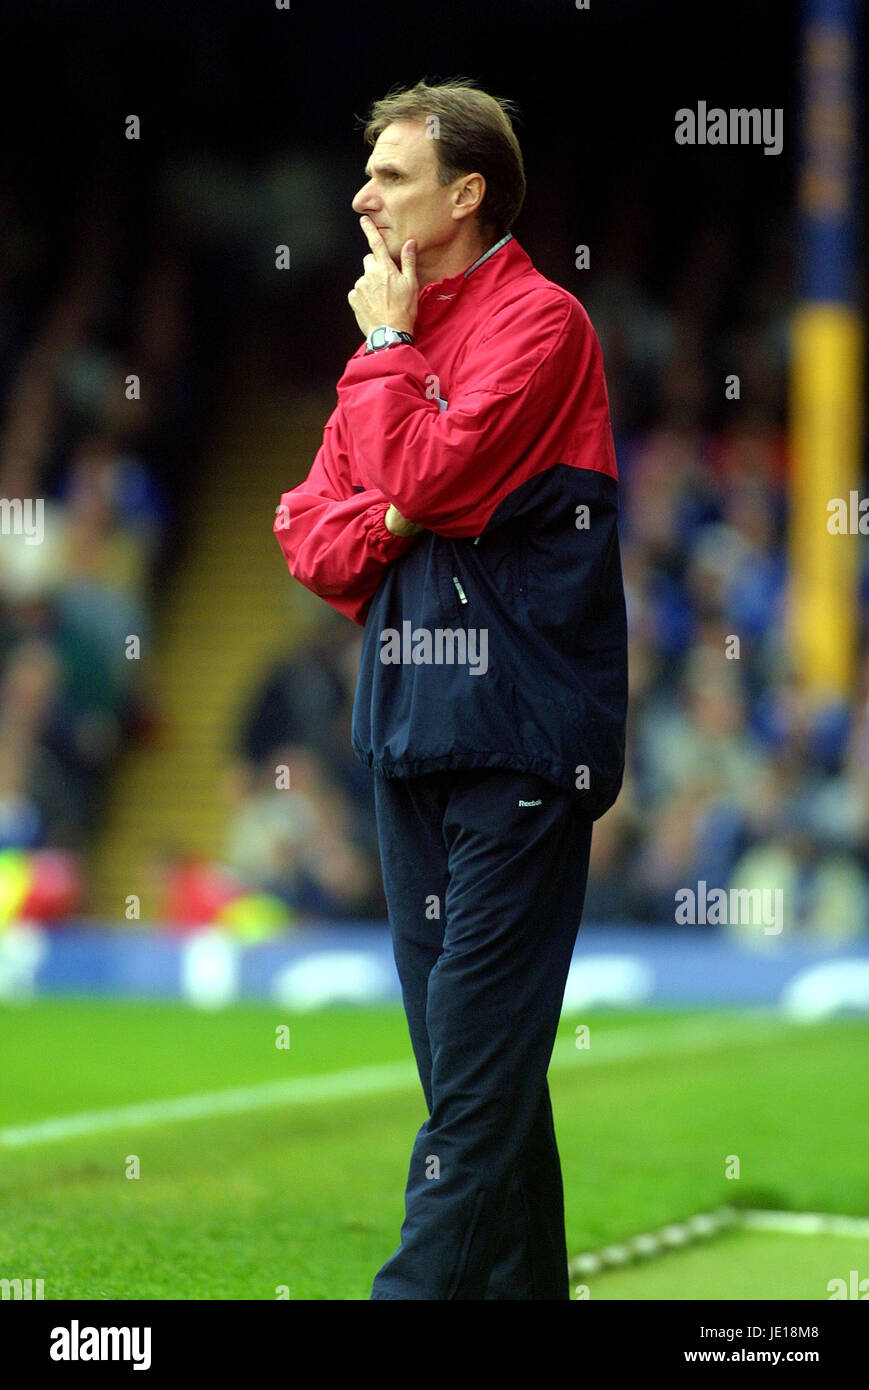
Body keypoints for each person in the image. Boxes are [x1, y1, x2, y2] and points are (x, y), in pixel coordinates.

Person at [273, 78, 628, 1300]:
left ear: (465, 193)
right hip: (408, 738)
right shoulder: (396, 340)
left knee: (470, 1089)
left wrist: (389, 373)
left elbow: (431, 471)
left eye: (390, 174)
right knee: (477, 1080)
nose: (362, 195)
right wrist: (396, 494)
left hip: (521, 743)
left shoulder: (542, 325)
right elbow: (308, 537)